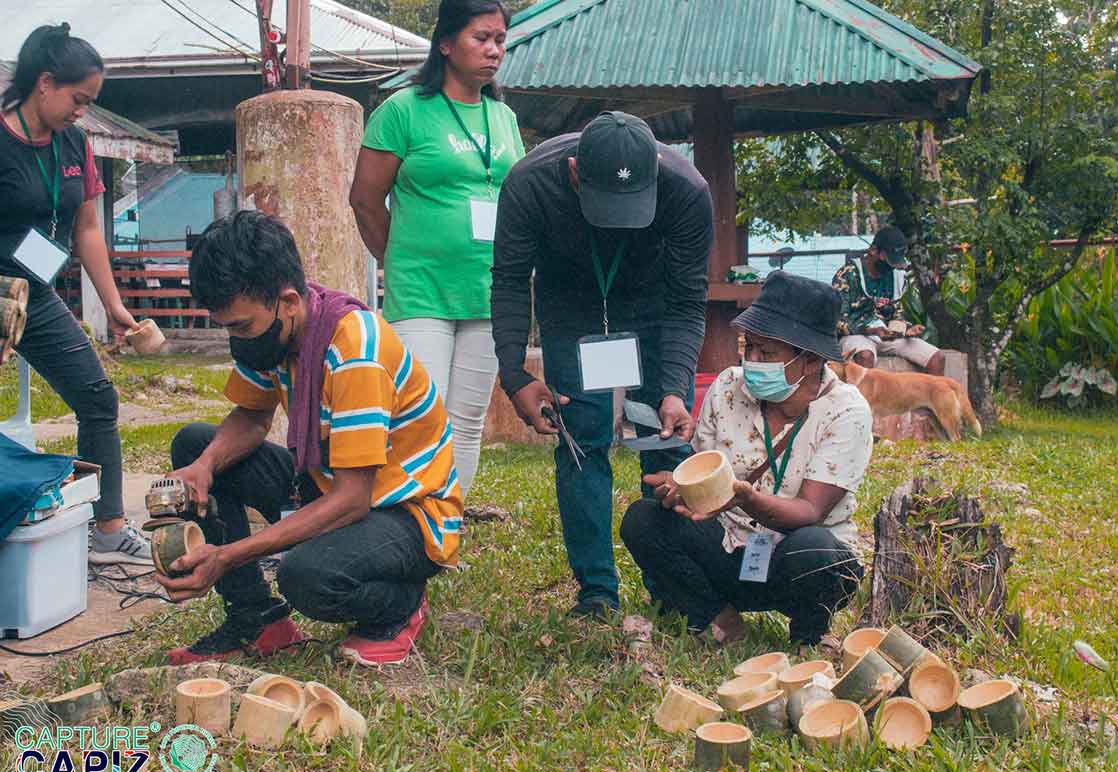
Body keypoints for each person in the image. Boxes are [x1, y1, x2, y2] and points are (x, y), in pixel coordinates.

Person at [158, 211, 463, 668]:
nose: (236, 340)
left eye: (241, 327)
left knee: (305, 576)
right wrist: (204, 466)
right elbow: (253, 416)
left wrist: (227, 556)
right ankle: (257, 621)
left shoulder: (354, 351)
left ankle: (399, 607)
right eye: (227, 328)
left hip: (405, 512)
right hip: (326, 482)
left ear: (288, 301)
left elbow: (352, 500)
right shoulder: (278, 332)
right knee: (196, 446)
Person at [492, 111, 714, 617]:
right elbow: (509, 281)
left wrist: (674, 386)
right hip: (571, 307)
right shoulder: (530, 185)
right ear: (574, 173)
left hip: (654, 303)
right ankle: (596, 592)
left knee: (665, 437)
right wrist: (514, 374)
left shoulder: (687, 191)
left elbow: (687, 302)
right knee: (581, 439)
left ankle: (672, 585)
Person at [620, 272, 872, 646]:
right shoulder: (727, 386)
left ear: (810, 360)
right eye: (748, 346)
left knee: (817, 550)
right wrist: (681, 489)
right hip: (729, 548)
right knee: (644, 519)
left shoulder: (846, 411)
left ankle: (808, 636)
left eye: (766, 354)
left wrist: (747, 499)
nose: (752, 361)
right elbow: (702, 473)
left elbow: (809, 511)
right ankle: (717, 617)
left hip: (794, 564)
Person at [350, 0, 523, 499]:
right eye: (481, 38)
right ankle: (408, 525)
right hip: (422, 291)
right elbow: (365, 200)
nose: (494, 51)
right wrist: (399, 260)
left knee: (467, 422)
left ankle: (447, 524)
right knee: (420, 417)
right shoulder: (403, 111)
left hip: (488, 291)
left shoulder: (504, 117)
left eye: (500, 40)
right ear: (446, 44)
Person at [0, 24, 149, 565]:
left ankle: (108, 530)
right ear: (44, 83)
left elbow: (86, 228)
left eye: (89, 102)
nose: (82, 111)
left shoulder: (74, 143)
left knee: (97, 399)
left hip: (35, 295)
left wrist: (114, 305)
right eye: (78, 99)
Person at [832, 225, 945, 375]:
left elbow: (896, 314)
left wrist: (904, 329)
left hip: (885, 335)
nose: (891, 267)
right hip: (855, 335)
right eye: (888, 261)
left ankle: (933, 391)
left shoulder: (896, 276)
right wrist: (871, 331)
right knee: (865, 356)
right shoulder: (847, 275)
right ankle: (865, 392)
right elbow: (837, 321)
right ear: (873, 251)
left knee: (937, 358)